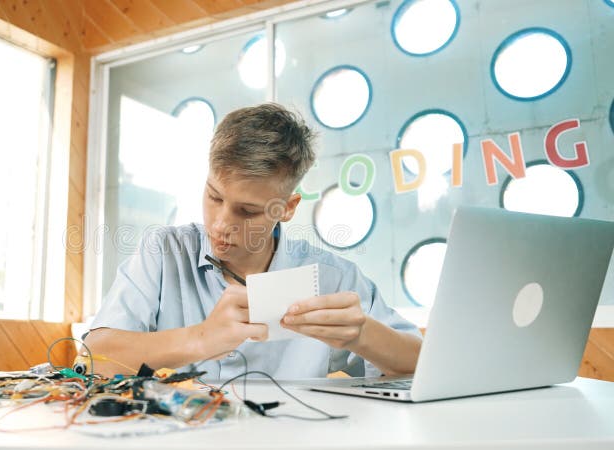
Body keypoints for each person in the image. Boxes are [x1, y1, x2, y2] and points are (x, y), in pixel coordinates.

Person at [84, 103, 421, 380]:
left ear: (287, 209)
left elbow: (420, 362)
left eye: (247, 211)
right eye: (214, 197)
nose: (220, 224)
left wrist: (363, 335)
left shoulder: (335, 278)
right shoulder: (163, 253)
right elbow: (93, 358)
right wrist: (199, 338)